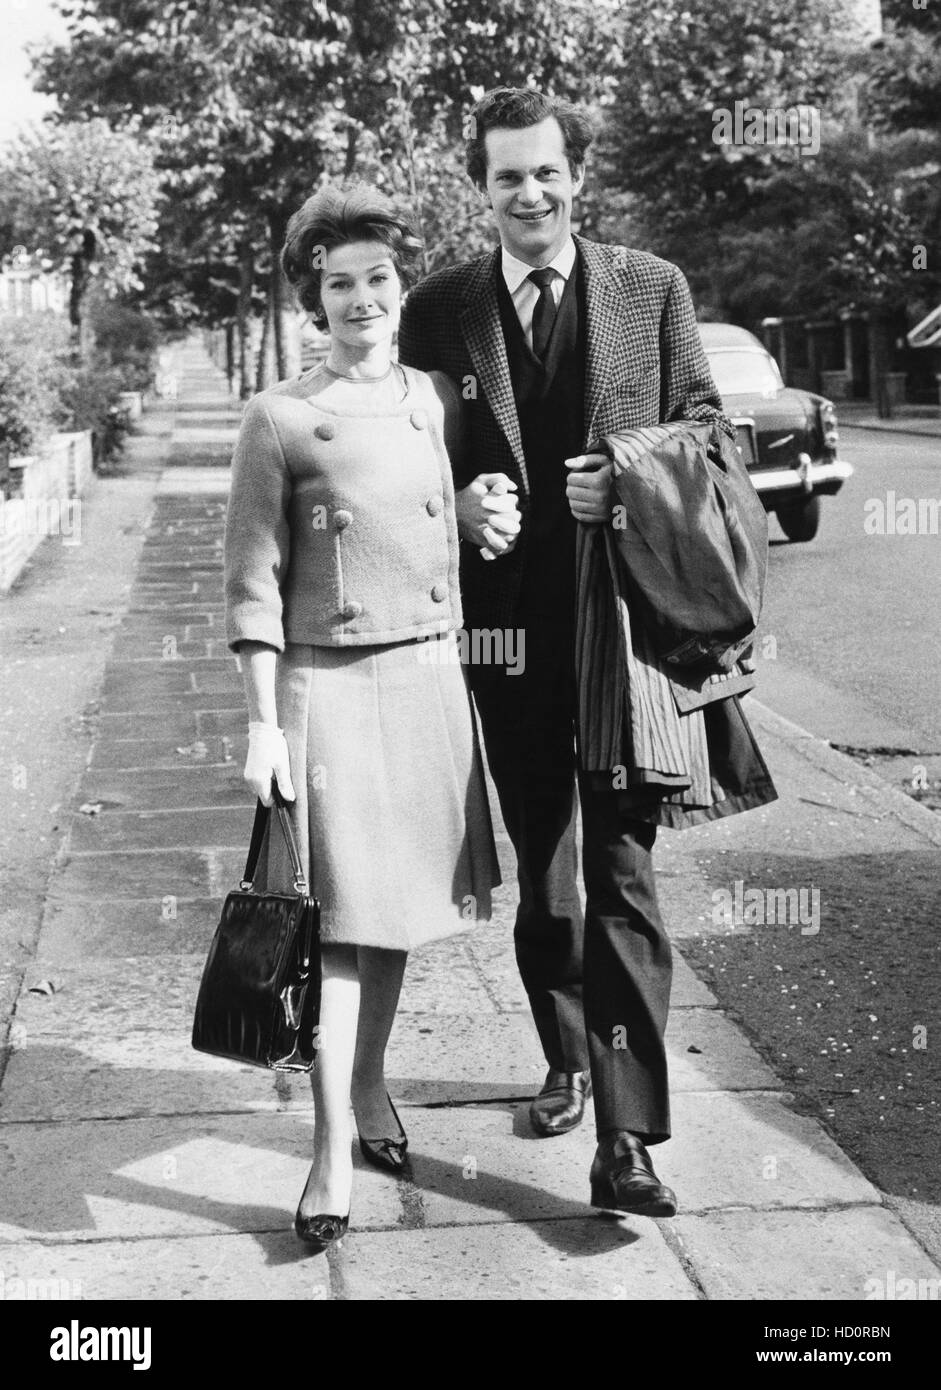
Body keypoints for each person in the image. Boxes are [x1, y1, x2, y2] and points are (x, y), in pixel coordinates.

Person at [398, 87, 776, 1218]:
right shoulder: (440, 308)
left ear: (578, 175)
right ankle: (564, 1054)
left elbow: (716, 429)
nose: (528, 193)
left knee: (619, 871)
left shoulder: (648, 287)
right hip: (503, 636)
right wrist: (456, 503)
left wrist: (626, 469)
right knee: (545, 870)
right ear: (483, 186)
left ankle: (626, 1137)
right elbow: (403, 453)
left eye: (545, 172)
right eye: (506, 176)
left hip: (620, 632)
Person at [223, 184, 502, 1253]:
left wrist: (477, 507)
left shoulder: (437, 396)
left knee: (389, 921)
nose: (361, 298)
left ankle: (372, 1080)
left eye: (378, 278)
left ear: (399, 286)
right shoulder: (280, 417)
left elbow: (446, 494)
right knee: (335, 933)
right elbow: (252, 583)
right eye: (338, 282)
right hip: (325, 692)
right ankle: (331, 1142)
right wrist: (260, 726)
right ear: (312, 299)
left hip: (429, 681)